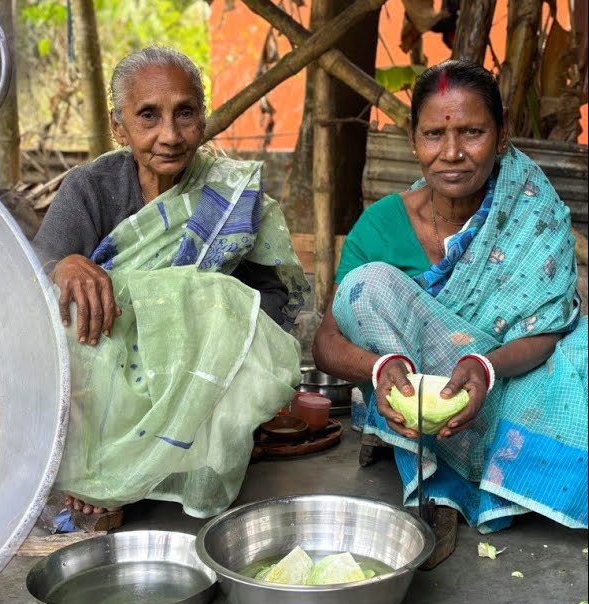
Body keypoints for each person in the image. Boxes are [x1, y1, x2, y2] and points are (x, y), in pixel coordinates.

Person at [313, 60, 588, 533]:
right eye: (435, 135)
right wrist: (379, 369)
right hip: (421, 391)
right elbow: (326, 344)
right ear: (414, 141)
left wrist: (485, 367)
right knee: (369, 284)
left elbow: (546, 330)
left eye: (473, 132)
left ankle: (515, 472)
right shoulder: (381, 226)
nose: (453, 152)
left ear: (501, 138)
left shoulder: (532, 213)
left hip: (510, 380)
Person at [33, 46, 307, 518]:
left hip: (200, 380)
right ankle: (97, 471)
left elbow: (275, 297)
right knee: (69, 307)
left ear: (203, 117)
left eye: (185, 113)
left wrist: (212, 321)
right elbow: (35, 270)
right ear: (119, 126)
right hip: (109, 377)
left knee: (224, 304)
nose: (170, 135)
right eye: (148, 116)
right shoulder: (91, 187)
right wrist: (64, 265)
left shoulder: (231, 194)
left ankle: (183, 462)